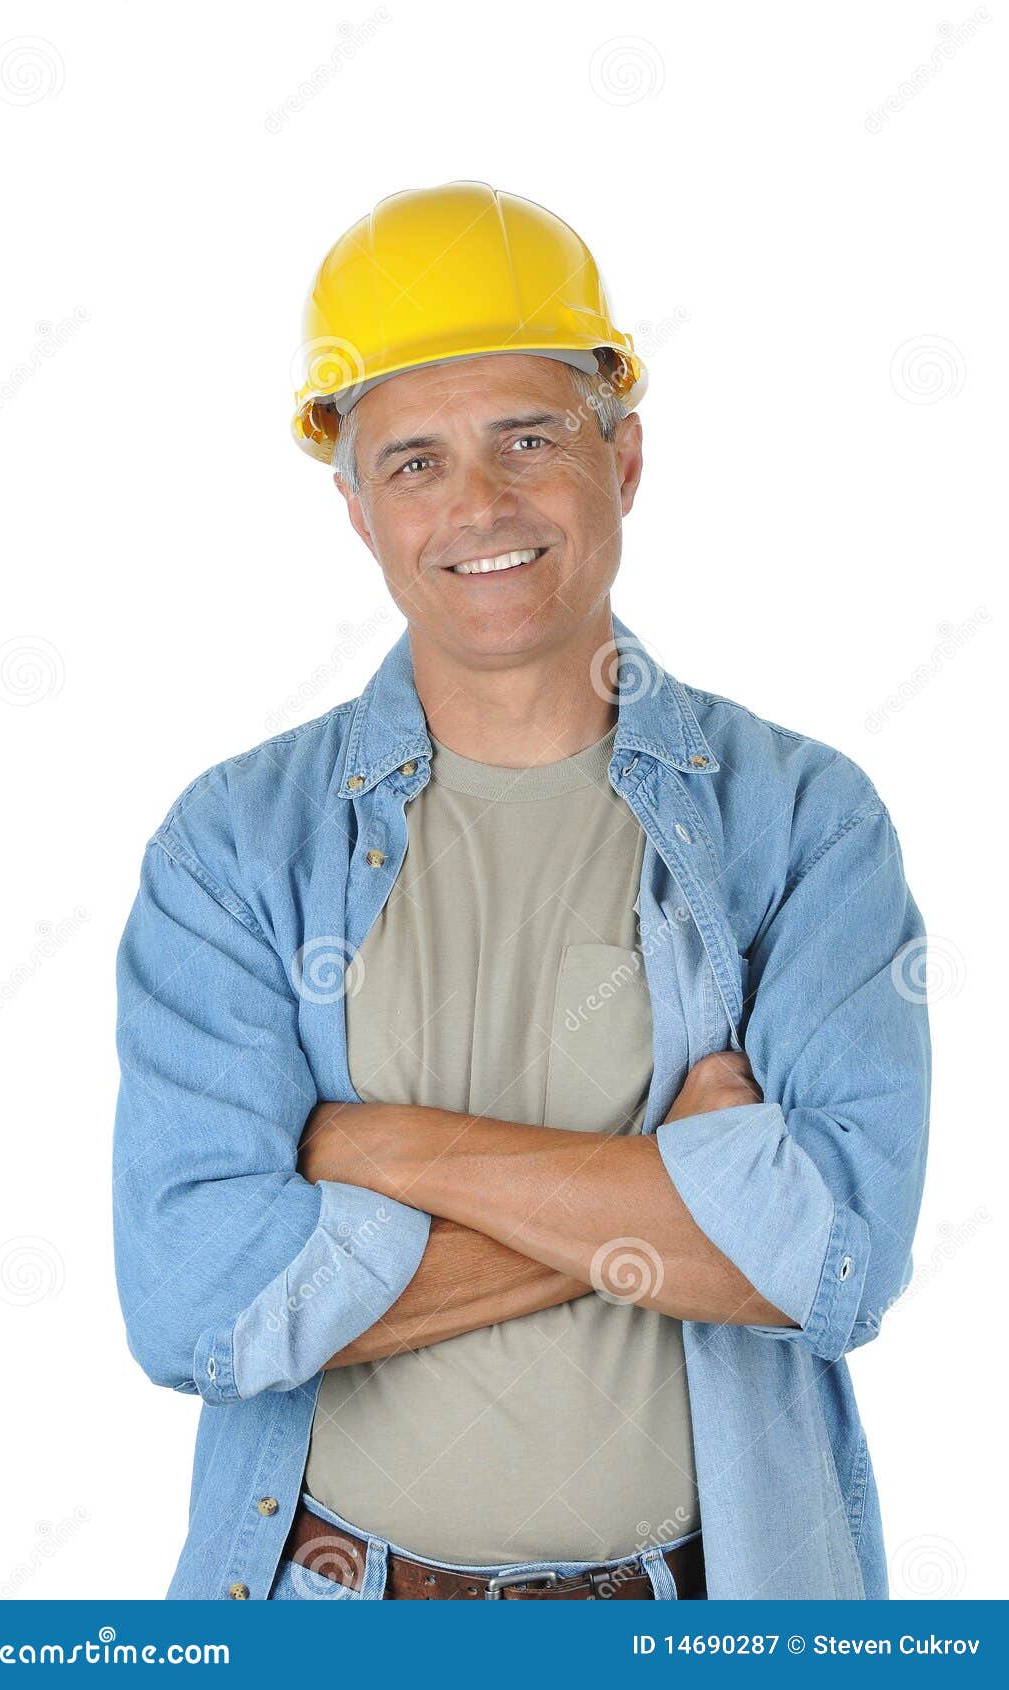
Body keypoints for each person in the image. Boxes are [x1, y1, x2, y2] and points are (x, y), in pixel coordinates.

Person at [112, 181, 930, 1601]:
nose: (477, 504)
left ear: (623, 460)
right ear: (357, 510)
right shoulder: (231, 848)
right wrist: (678, 1199)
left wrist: (379, 1148)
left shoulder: (804, 819)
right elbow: (199, 1304)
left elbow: (835, 1260)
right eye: (414, 460)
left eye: (528, 439)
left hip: (704, 1605)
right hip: (339, 1607)